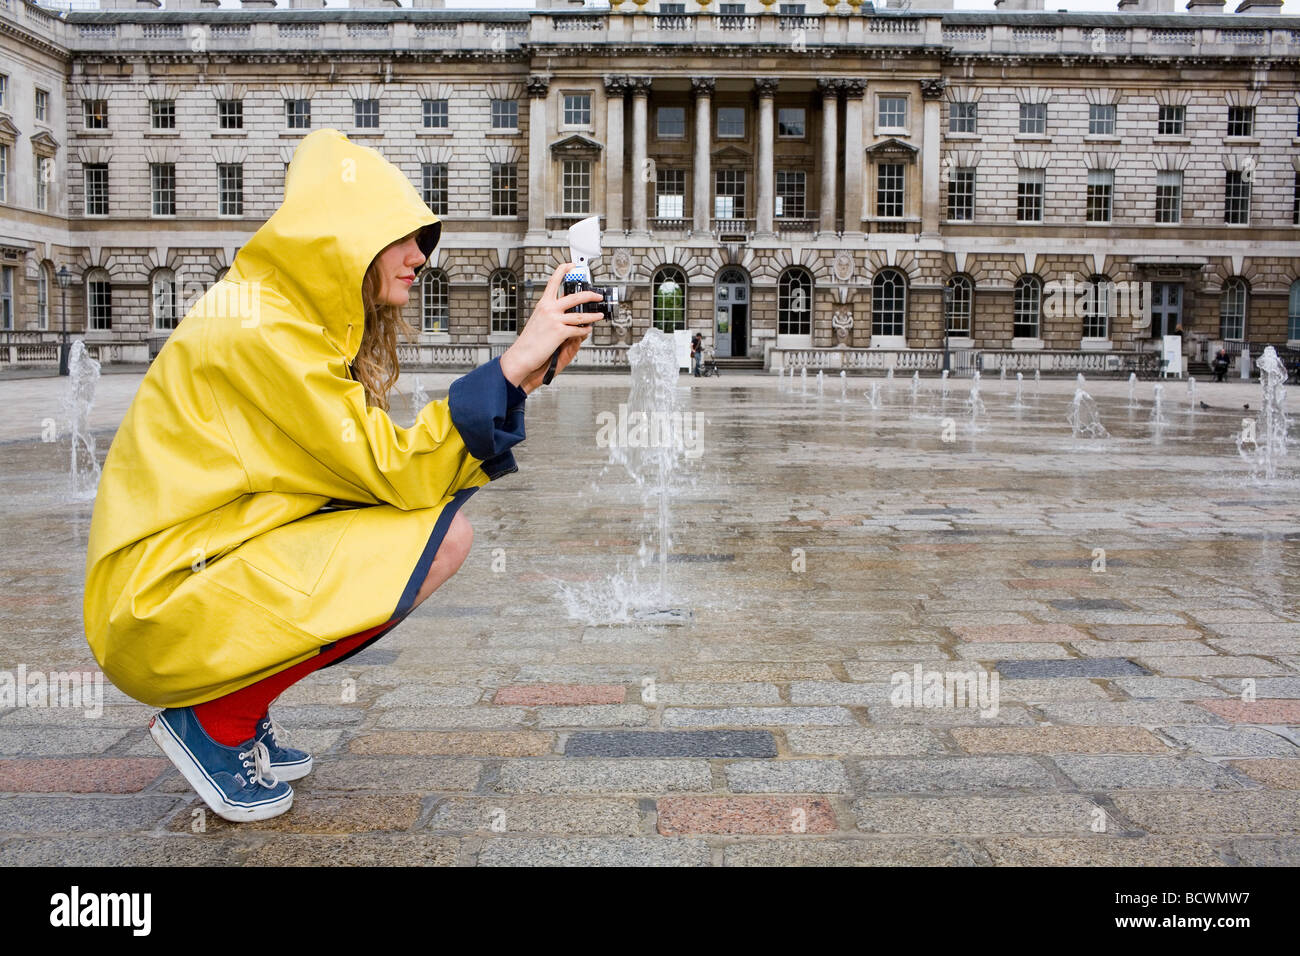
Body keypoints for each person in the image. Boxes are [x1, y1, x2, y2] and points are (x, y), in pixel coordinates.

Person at [82, 128, 604, 822]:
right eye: (406, 236)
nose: (422, 256)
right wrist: (510, 366)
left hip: (195, 569)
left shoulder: (282, 316)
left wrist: (525, 377)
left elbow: (371, 474)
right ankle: (214, 721)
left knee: (413, 531)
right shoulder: (262, 329)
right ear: (347, 236)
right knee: (440, 542)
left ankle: (241, 697)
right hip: (158, 606)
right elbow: (390, 469)